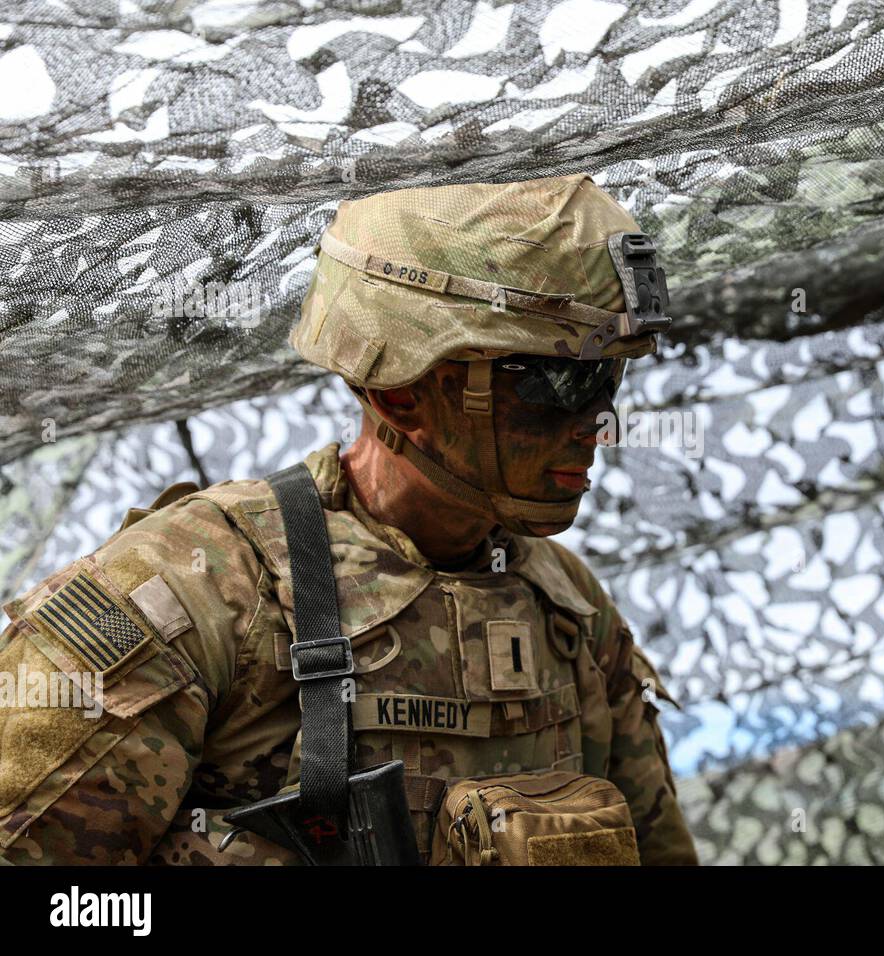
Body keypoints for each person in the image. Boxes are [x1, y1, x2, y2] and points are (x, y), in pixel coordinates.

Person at [0, 174, 698, 865]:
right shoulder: (189, 596)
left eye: (608, 378)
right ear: (400, 396)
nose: (598, 425)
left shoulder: (563, 606)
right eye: (559, 384)